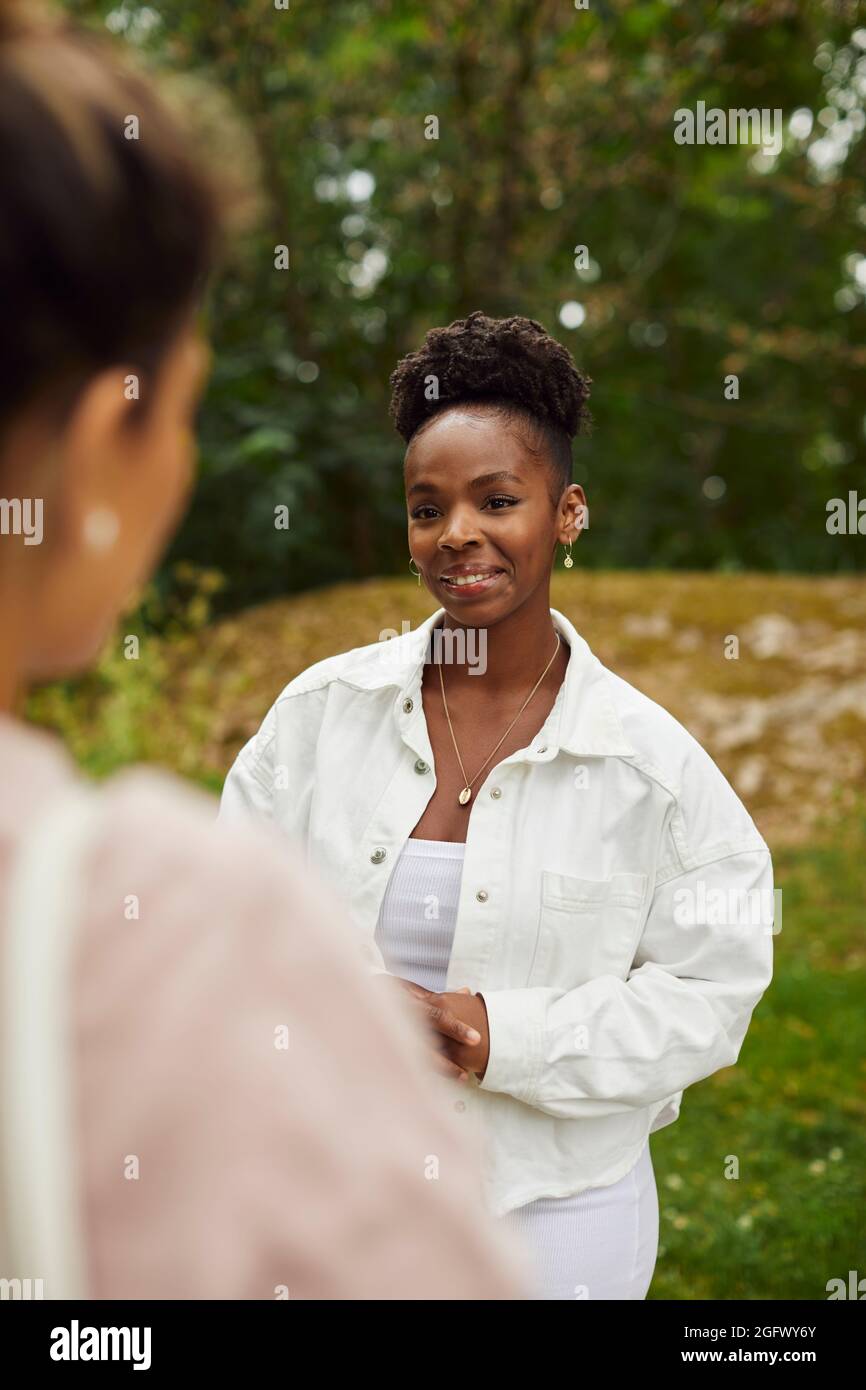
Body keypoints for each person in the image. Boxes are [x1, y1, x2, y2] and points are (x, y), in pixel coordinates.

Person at [0, 4, 528, 1300]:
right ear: (95, 444)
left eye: (494, 500)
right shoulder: (178, 929)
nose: (458, 535)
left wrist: (524, 1033)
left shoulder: (642, 746)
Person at [220, 309, 776, 1300]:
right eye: (427, 508)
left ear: (565, 511)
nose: (457, 533)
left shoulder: (646, 769)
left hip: (557, 1215)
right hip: (338, 1196)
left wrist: (499, 1036)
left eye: (497, 499)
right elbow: (229, 916)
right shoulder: (317, 719)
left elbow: (711, 991)